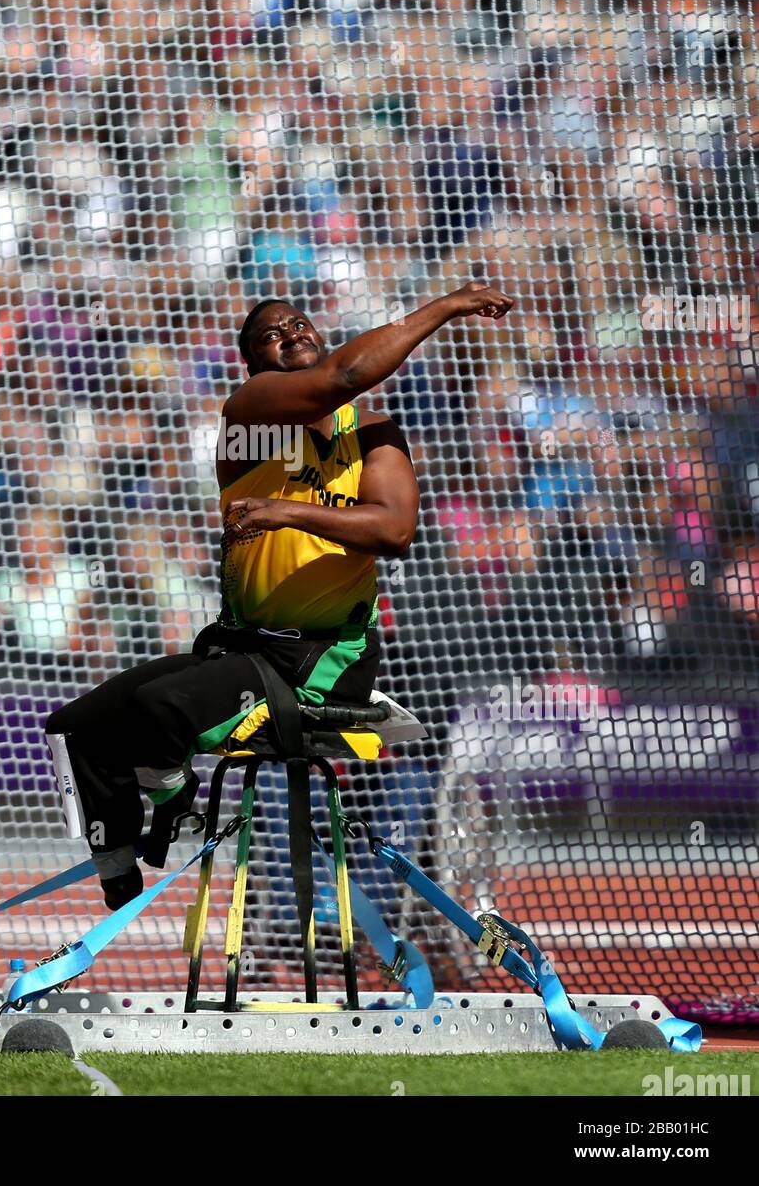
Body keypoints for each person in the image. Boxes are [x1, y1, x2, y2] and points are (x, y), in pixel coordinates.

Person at [46, 281, 514, 908]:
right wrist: (444, 305)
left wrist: (292, 513)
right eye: (272, 333)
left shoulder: (374, 434)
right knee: (74, 725)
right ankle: (119, 866)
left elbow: (394, 529)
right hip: (241, 649)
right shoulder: (250, 418)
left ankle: (169, 791)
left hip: (317, 659)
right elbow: (342, 373)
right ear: (254, 364)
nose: (291, 332)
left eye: (299, 324)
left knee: (162, 708)